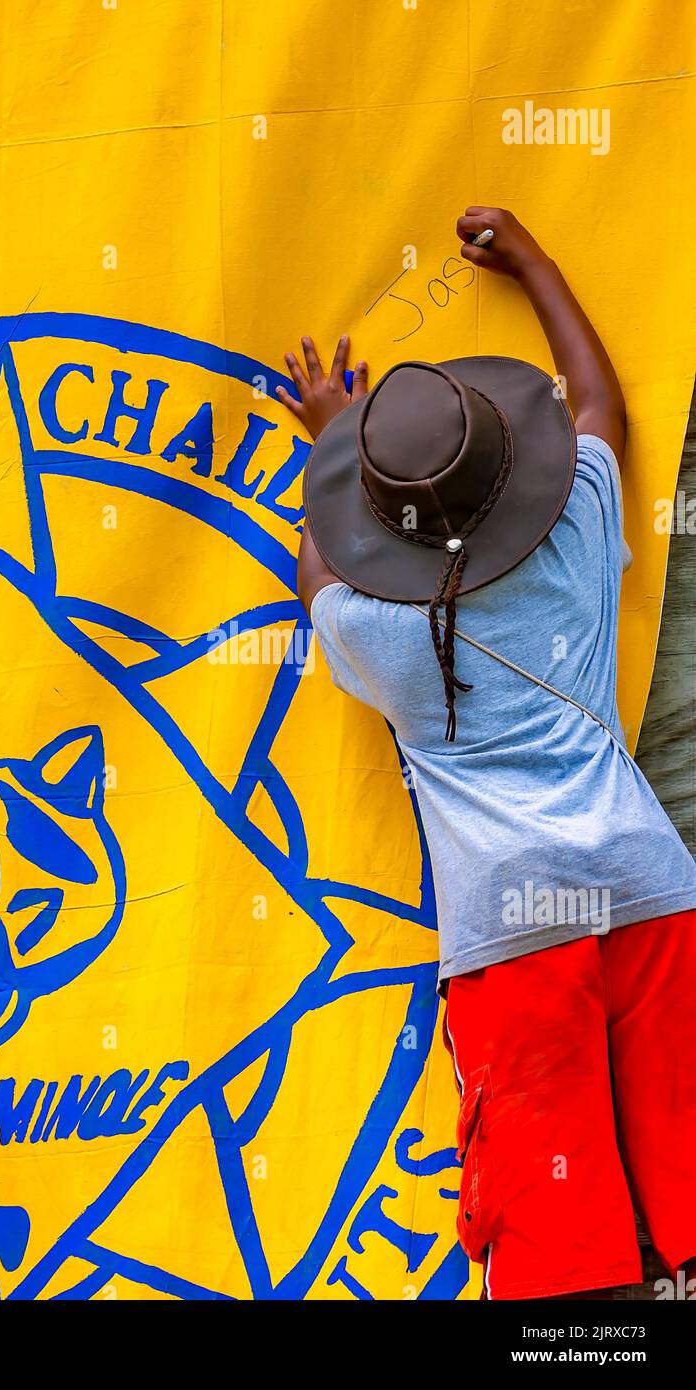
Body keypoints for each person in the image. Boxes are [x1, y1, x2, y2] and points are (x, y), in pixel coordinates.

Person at [277, 206, 696, 1301]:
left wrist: (331, 437)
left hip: (513, 935)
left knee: (561, 1244)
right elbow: (599, 404)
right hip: (651, 887)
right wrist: (532, 260)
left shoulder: (381, 635)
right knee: (687, 1183)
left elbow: (317, 582)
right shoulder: (577, 536)